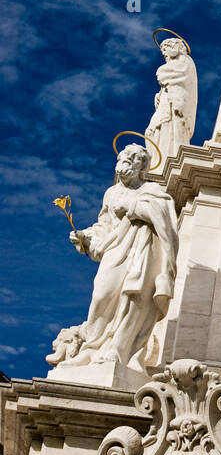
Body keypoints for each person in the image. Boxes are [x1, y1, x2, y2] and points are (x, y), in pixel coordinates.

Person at [49, 144, 178, 372]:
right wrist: (86, 236)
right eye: (124, 156)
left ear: (143, 167)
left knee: (134, 298)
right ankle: (91, 349)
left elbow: (166, 220)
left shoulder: (152, 190)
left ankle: (119, 351)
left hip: (143, 251)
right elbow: (104, 226)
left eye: (134, 158)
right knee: (102, 294)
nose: (127, 160)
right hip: (115, 251)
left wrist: (133, 206)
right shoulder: (112, 193)